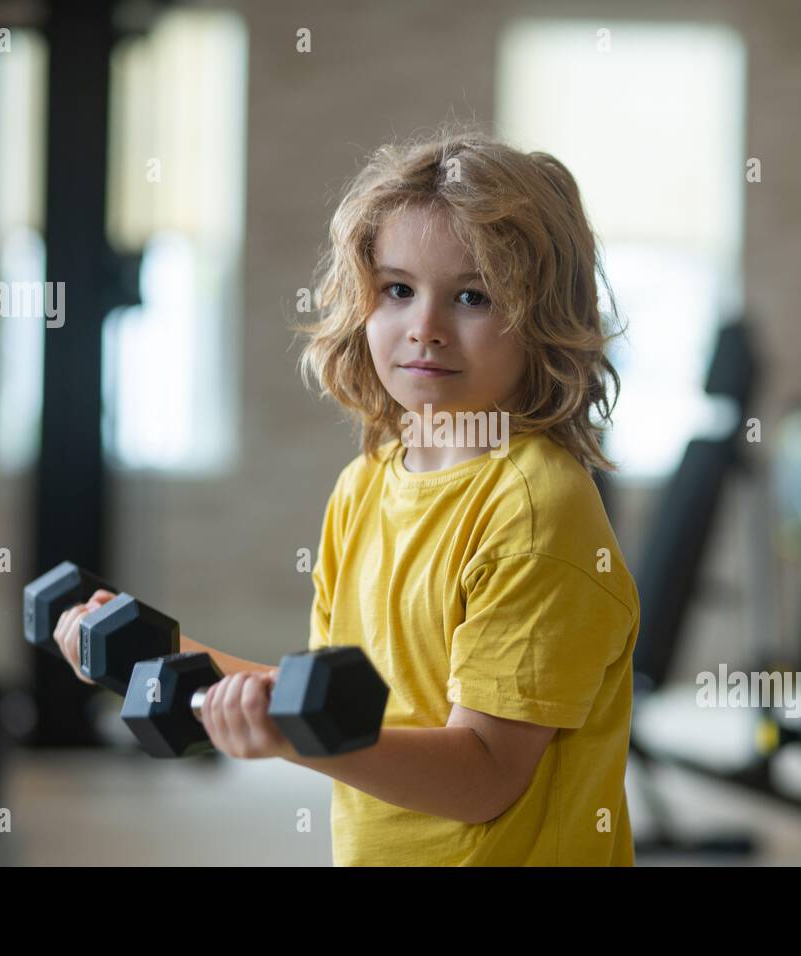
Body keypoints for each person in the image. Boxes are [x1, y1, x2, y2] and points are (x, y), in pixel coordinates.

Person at [55, 125, 640, 866]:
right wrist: (151, 655)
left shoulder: (535, 509)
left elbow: (484, 778)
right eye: (398, 290)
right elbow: (325, 699)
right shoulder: (366, 484)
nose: (424, 329)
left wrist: (291, 736)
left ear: (544, 319)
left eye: (472, 295)